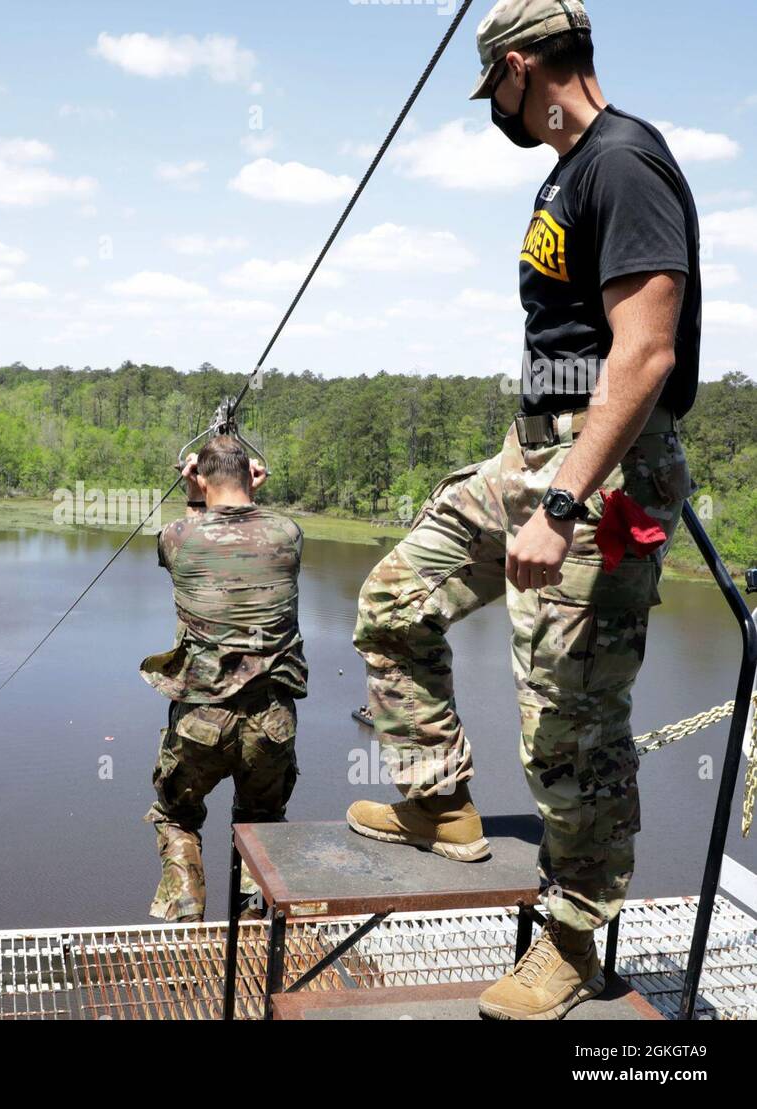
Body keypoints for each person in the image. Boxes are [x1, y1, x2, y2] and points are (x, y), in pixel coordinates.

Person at [350, 0, 699, 1020]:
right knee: (392, 597)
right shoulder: (567, 167)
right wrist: (529, 470)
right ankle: (438, 799)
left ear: (518, 66)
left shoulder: (624, 161)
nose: (490, 111)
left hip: (600, 476)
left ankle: (573, 936)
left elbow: (643, 353)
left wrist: (558, 500)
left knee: (569, 721)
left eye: (492, 91)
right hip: (536, 448)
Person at [141, 435, 308, 922]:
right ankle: (256, 932)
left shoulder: (178, 536)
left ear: (198, 478)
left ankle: (187, 928)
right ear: (253, 477)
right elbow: (255, 529)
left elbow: (197, 533)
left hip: (199, 722)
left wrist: (194, 492)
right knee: (262, 827)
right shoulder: (289, 534)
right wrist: (245, 491)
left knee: (177, 817)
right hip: (272, 723)